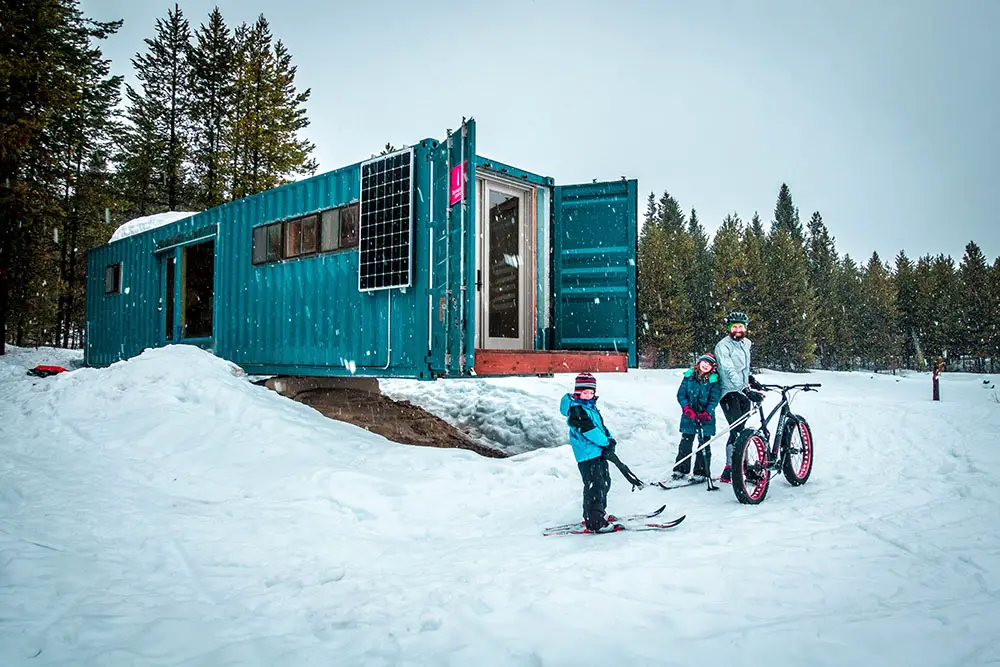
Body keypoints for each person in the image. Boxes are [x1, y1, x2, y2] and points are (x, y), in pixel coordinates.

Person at [559, 372, 616, 532]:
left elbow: (600, 427)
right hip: (588, 455)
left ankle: (597, 513)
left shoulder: (589, 407)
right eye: (585, 392)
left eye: (591, 392)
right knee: (595, 486)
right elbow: (590, 431)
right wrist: (605, 442)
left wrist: (610, 438)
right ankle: (595, 521)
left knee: (604, 483)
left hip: (597, 453)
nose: (588, 395)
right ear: (577, 392)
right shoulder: (577, 410)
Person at [714, 310, 764, 483]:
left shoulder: (746, 344)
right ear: (729, 328)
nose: (737, 330)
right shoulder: (723, 346)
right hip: (729, 392)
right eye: (734, 326)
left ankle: (741, 463)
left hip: (743, 391)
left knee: (742, 431)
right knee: (735, 429)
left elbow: (743, 368)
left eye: (740, 327)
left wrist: (750, 380)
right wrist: (744, 387)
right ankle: (730, 467)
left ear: (745, 328)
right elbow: (728, 370)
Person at [672, 352, 722, 481]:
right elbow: (681, 394)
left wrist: (707, 412)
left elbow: (714, 399)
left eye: (709, 364)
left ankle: (701, 472)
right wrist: (686, 408)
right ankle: (680, 469)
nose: (706, 366)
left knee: (704, 444)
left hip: (706, 417)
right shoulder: (689, 377)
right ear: (699, 363)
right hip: (689, 415)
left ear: (713, 368)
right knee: (686, 443)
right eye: (704, 362)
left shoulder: (714, 381)